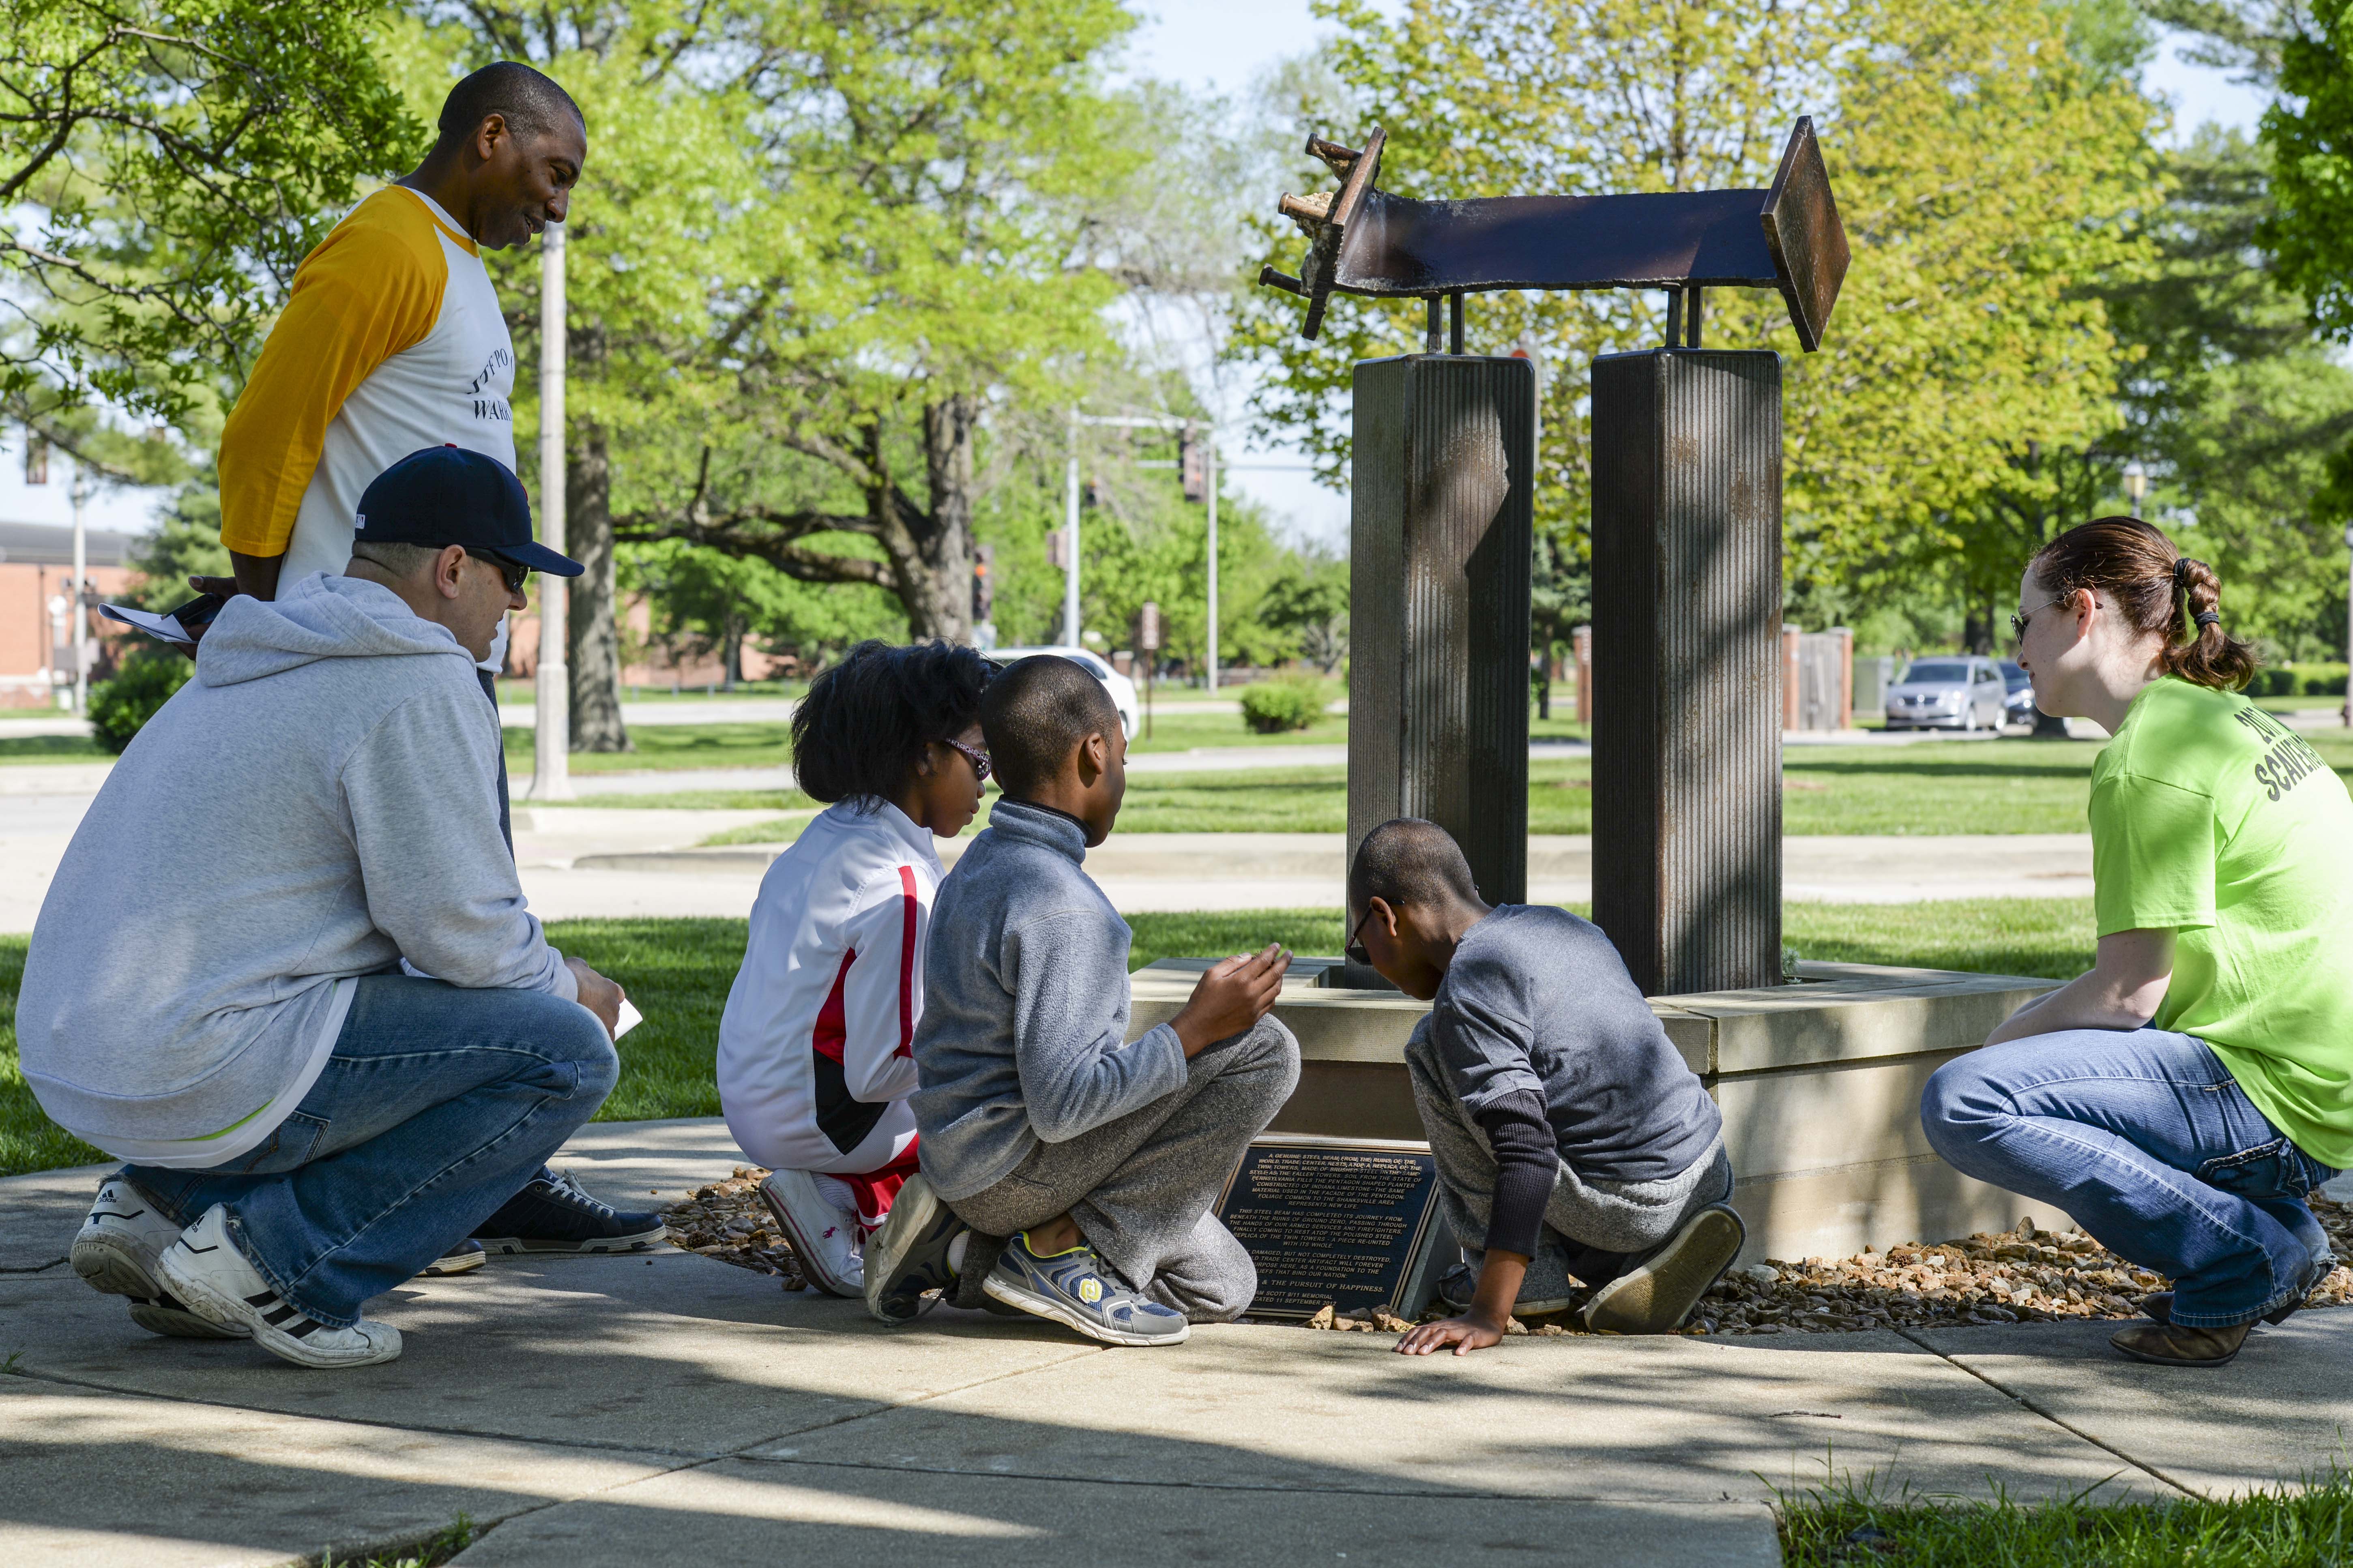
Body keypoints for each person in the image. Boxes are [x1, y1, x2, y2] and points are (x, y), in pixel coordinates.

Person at [184, 64, 654, 1261]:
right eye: (554, 172)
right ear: (491, 136)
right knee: (441, 931)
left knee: (459, 922)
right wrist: (264, 601)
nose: (558, 204)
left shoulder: (457, 267)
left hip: (432, 654)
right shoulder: (388, 243)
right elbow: (267, 430)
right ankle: (404, 1197)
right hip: (368, 658)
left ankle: (475, 1172)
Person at [21, 449, 627, 1369]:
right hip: (200, 1059)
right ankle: (280, 1265)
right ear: (453, 568)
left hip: (79, 1052)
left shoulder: (256, 653)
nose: (516, 604)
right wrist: (574, 987)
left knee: (387, 1010)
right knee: (565, 1051)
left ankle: (159, 1207)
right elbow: (462, 933)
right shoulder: (417, 677)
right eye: (513, 576)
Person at [1923, 517, 2353, 1369]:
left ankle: (2246, 1260)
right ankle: (2286, 1236)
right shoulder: (2224, 718)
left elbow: (2127, 996)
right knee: (2033, 1067)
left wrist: (2003, 1041)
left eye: (2024, 622)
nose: (2018, 651)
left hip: (2272, 1094)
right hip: (2320, 1088)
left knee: (1966, 1099)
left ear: (2082, 612)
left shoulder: (2146, 759)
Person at [861, 654, 1300, 1345]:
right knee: (1264, 1050)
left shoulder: (981, 863)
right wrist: (1195, 1027)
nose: (1123, 775)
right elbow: (1064, 1107)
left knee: (1221, 1285)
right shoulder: (1064, 907)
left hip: (961, 1162)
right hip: (1009, 1168)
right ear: (1094, 752)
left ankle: (961, 1253)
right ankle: (1056, 1252)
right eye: (1123, 757)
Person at [1342, 819, 1744, 1356]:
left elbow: (1526, 1150)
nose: (1368, 961)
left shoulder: (1470, 987)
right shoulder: (1562, 927)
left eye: (1359, 946)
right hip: (1708, 1175)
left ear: (1384, 916)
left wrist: (1488, 1314)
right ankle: (1643, 1263)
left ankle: (1527, 1286)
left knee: (1430, 1047)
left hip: (1627, 1206)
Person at [717, 640, 995, 1296]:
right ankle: (860, 1206)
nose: (987, 783)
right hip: (826, 1122)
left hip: (757, 1097)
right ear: (925, 754)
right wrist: (994, 1050)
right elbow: (881, 1072)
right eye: (980, 759)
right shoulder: (898, 882)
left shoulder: (828, 836)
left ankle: (840, 1195)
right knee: (1011, 1116)